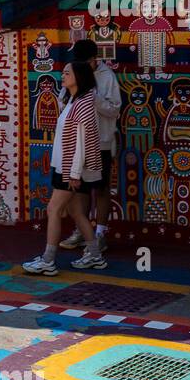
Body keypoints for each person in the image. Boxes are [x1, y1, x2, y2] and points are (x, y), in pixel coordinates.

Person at [24, 61, 106, 276]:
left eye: (67, 73)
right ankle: (95, 255)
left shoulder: (83, 104)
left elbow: (82, 142)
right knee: (77, 212)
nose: (62, 76)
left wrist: (74, 173)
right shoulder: (74, 100)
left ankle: (48, 260)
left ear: (79, 76)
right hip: (69, 167)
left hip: (71, 169)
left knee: (54, 209)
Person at [59, 38, 121, 255]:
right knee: (80, 188)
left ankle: (101, 234)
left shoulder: (107, 77)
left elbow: (115, 110)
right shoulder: (73, 72)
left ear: (95, 60)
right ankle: (82, 231)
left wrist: (94, 100)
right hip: (77, 142)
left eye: (86, 62)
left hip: (101, 142)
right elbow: (62, 102)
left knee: (101, 188)